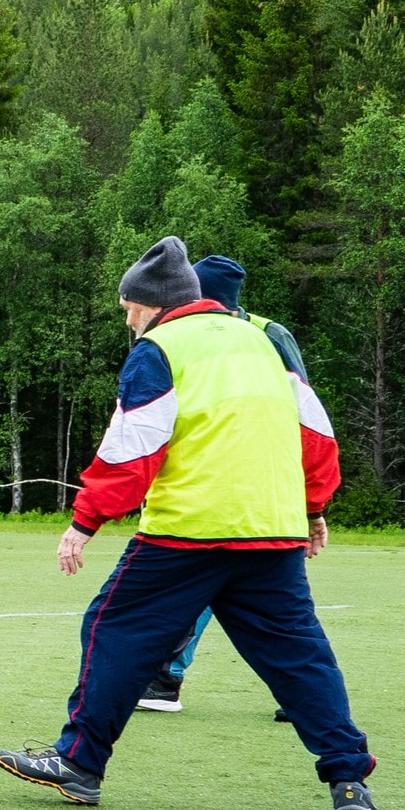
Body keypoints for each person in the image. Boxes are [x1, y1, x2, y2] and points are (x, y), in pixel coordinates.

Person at [0, 235, 377, 810]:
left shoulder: (160, 349)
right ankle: (350, 780)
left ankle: (78, 762)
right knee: (299, 657)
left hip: (186, 534)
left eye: (129, 309)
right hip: (271, 533)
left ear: (153, 304)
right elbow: (317, 437)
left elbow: (133, 450)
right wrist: (313, 508)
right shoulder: (263, 343)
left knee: (113, 630)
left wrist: (85, 521)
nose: (128, 321)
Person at [135, 253, 308, 719]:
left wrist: (312, 502)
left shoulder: (264, 335)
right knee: (274, 611)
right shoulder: (204, 333)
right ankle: (166, 680)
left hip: (250, 495)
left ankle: (164, 681)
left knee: (260, 608)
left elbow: (301, 410)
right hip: (241, 496)